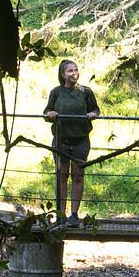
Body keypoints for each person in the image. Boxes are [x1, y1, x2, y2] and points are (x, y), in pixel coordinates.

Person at [43, 59, 100, 228]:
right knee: (62, 176)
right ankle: (60, 215)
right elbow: (46, 113)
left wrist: (93, 114)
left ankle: (74, 216)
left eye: (76, 70)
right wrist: (50, 114)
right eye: (70, 71)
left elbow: (96, 109)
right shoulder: (56, 92)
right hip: (61, 140)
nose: (74, 73)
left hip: (80, 140)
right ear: (63, 75)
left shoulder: (85, 92)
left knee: (78, 176)